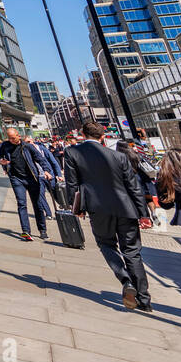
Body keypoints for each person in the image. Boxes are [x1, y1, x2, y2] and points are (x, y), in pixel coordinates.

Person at [64, 121, 153, 312]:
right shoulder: (119, 156)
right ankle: (144, 300)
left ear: (82, 134)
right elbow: (133, 187)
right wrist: (143, 214)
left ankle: (125, 280)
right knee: (132, 252)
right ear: (103, 136)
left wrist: (76, 207)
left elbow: (72, 183)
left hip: (98, 209)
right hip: (126, 208)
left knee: (106, 244)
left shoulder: (72, 153)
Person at [0, 127, 54, 241]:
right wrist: (0, 161)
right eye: (9, 138)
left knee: (37, 204)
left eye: (13, 138)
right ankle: (26, 231)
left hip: (32, 178)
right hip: (16, 178)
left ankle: (42, 230)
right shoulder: (4, 146)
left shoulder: (27, 146)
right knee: (21, 204)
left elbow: (40, 159)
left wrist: (47, 170)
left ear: (18, 135)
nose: (11, 140)